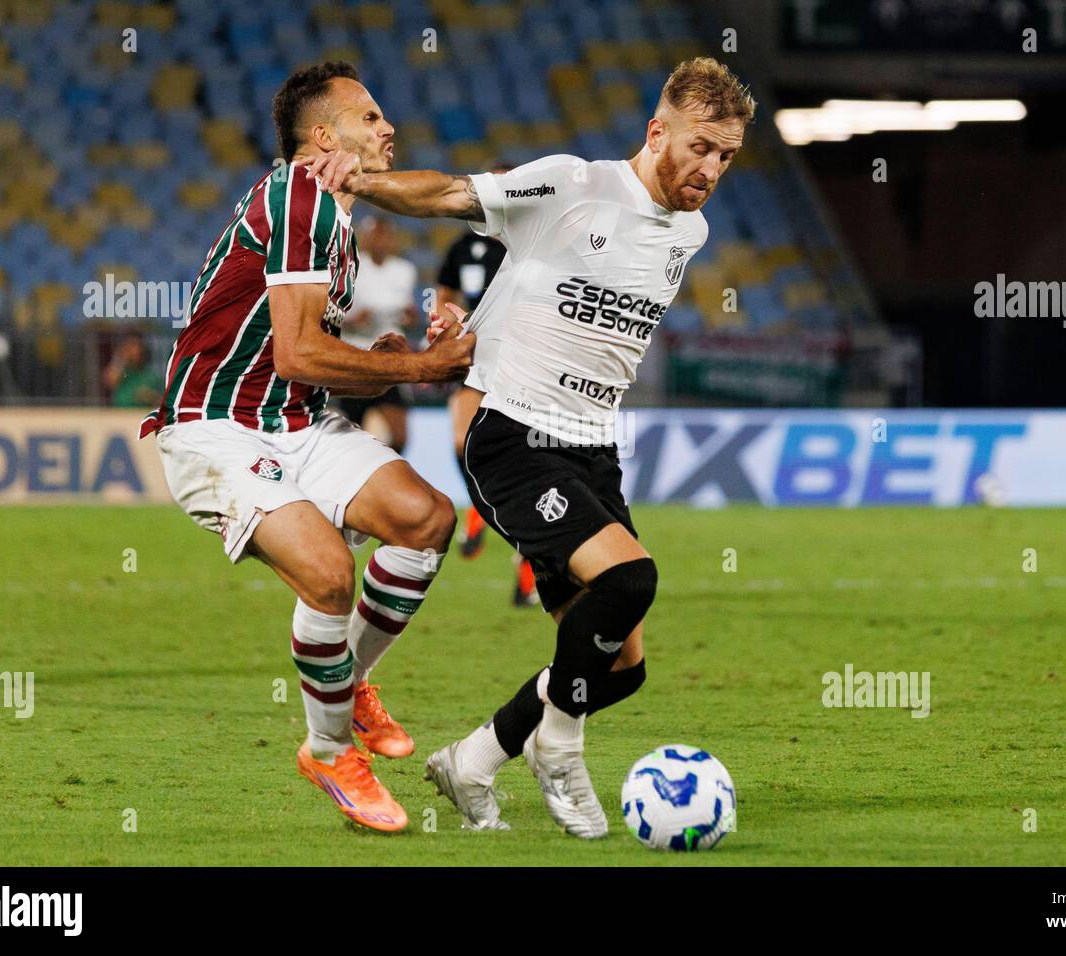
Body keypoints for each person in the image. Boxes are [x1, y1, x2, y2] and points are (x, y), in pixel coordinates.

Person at [304, 56, 753, 836]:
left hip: (593, 451)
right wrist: (358, 182)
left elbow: (540, 296)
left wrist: (474, 325)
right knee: (629, 580)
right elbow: (450, 194)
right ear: (657, 132)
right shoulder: (572, 185)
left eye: (726, 156)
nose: (711, 169)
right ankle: (560, 748)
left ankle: (474, 760)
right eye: (700, 147)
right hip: (511, 435)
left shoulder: (692, 230)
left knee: (621, 665)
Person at [139, 62, 475, 833]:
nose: (386, 128)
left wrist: (376, 351)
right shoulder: (297, 195)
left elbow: (299, 352)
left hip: (293, 422)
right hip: (214, 427)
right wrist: (413, 367)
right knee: (328, 571)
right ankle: (327, 748)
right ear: (322, 137)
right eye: (369, 117)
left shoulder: (335, 220)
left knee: (424, 519)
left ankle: (347, 679)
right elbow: (295, 354)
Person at [434, 163, 537, 607]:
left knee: (527, 459)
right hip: (475, 354)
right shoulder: (464, 245)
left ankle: (528, 569)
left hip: (525, 360)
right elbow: (444, 291)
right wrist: (445, 321)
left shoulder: (536, 243)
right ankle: (482, 511)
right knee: (464, 443)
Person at [337, 216, 419, 451]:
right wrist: (354, 321)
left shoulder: (404, 270)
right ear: (365, 238)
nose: (381, 240)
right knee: (353, 432)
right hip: (357, 355)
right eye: (376, 234)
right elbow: (332, 315)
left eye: (385, 235)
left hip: (390, 357)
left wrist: (411, 317)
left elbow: (412, 315)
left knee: (399, 434)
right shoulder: (351, 268)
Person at [103, 329, 163, 407]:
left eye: (134, 346)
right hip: (119, 415)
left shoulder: (151, 374)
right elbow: (109, 382)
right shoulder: (121, 370)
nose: (131, 350)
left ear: (142, 349)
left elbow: (162, 401)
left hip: (141, 415)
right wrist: (120, 359)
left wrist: (150, 396)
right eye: (128, 346)